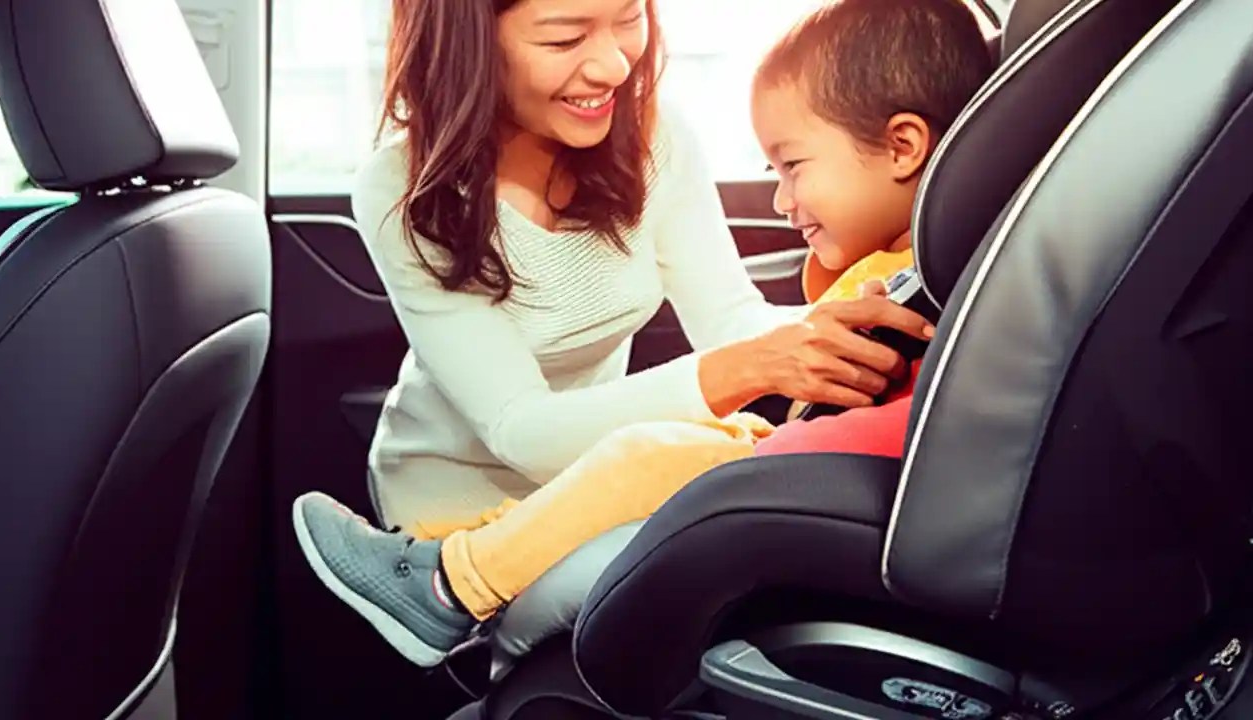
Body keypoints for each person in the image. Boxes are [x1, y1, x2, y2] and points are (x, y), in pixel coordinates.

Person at [292, 0, 994, 668]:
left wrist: (828, 335)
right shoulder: (401, 187)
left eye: (629, 19)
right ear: (471, 41)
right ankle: (441, 585)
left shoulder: (653, 136)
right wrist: (753, 368)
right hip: (461, 491)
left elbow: (732, 322)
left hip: (600, 462)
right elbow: (520, 429)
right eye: (565, 39)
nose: (613, 66)